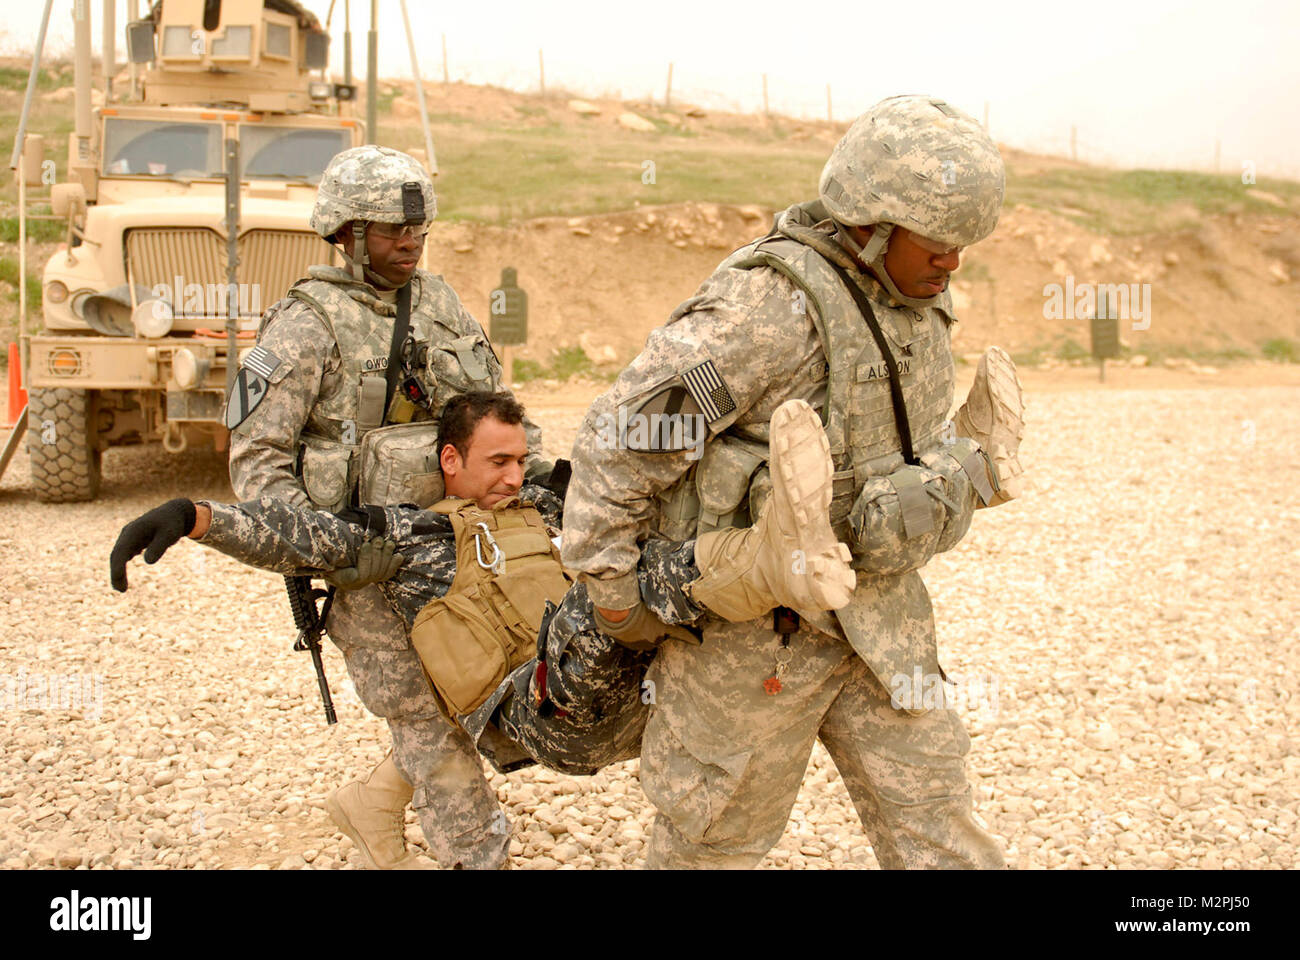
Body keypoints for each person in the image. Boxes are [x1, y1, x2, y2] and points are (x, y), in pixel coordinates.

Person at [560, 94, 1026, 869]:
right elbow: (625, 438)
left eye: (964, 244)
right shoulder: (769, 310)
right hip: (752, 644)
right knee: (712, 843)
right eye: (939, 241)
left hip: (881, 624)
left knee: (940, 827)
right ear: (871, 224)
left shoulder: (913, 301)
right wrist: (609, 584)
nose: (954, 261)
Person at [111, 391, 857, 810]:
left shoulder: (547, 500)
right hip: (541, 712)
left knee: (638, 552)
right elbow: (296, 533)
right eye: (496, 462)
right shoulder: (405, 535)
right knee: (601, 586)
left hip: (636, 692)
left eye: (520, 460)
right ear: (450, 459)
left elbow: (631, 486)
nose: (512, 475)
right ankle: (773, 558)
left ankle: (784, 551)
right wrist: (193, 517)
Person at [224, 145, 551, 869]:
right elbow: (257, 467)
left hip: (448, 544)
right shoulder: (300, 328)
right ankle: (477, 856)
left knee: (484, 685)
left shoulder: (438, 305)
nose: (408, 244)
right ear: (344, 233)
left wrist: (541, 479)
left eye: (418, 232)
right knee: (424, 714)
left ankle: (372, 800)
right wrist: (328, 551)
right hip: (361, 566)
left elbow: (491, 412)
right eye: (389, 231)